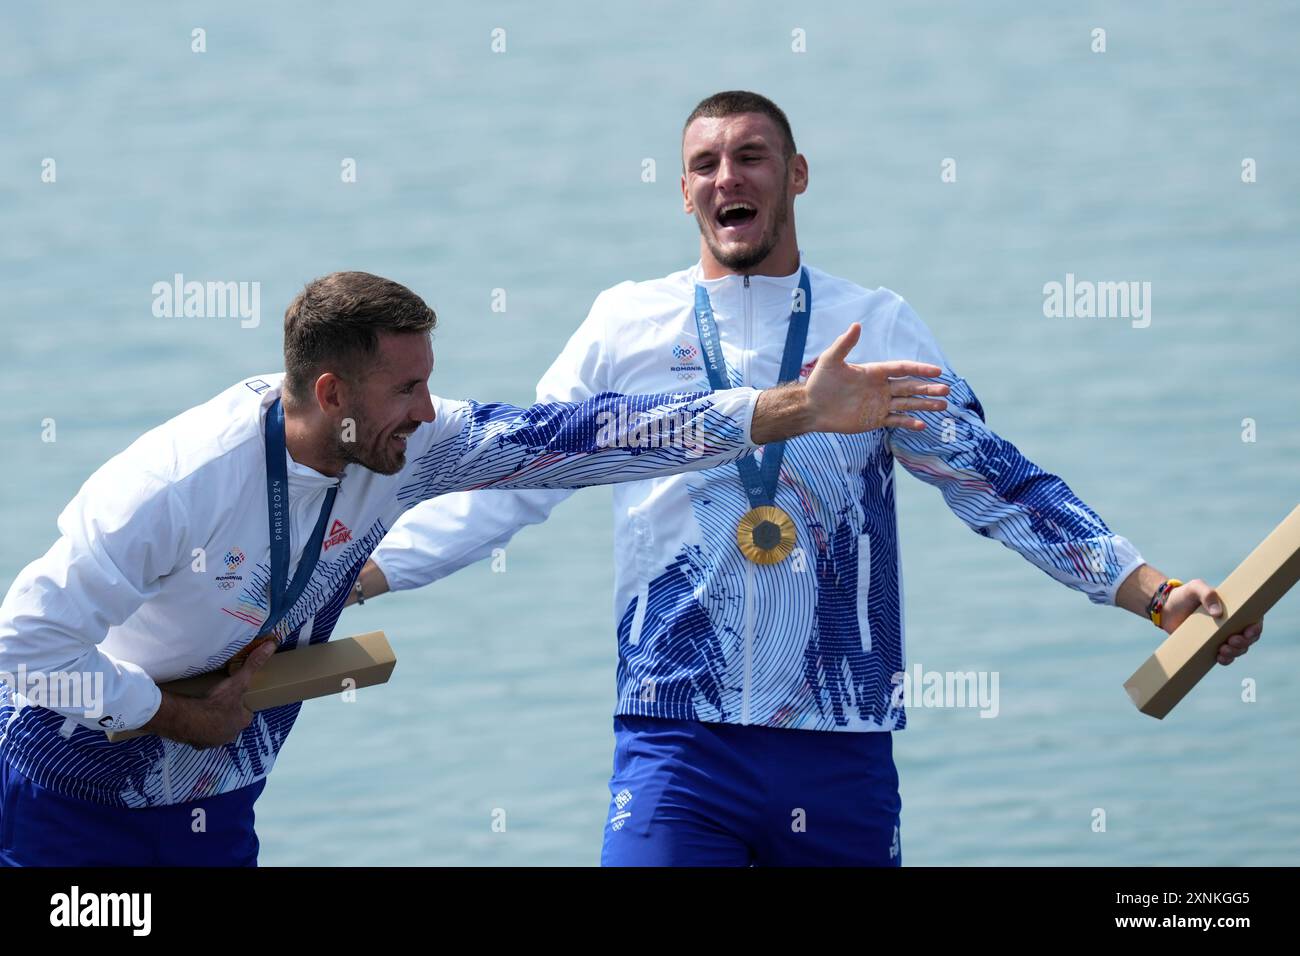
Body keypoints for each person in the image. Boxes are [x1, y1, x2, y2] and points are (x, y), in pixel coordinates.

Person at [349, 92, 1264, 867]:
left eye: (752, 157)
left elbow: (995, 483)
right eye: (705, 163)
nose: (727, 178)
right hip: (676, 731)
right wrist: (362, 573)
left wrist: (1151, 592)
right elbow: (521, 477)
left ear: (797, 175)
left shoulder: (875, 324)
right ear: (682, 193)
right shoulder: (624, 324)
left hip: (840, 734)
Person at [0, 269, 943, 866]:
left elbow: (587, 437)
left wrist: (782, 412)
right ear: (332, 394)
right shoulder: (175, 483)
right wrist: (171, 714)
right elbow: (24, 645)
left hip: (217, 796)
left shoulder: (415, 446)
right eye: (406, 388)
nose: (428, 408)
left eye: (428, 381)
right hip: (74, 792)